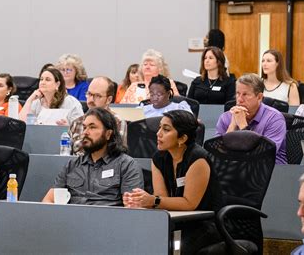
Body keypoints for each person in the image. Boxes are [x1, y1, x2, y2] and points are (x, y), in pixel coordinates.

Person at [124, 110, 222, 254]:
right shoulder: (159, 158)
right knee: (137, 238)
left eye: (166, 129)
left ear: (182, 138)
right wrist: (140, 201)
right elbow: (162, 199)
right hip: (175, 222)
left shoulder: (197, 158)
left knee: (171, 248)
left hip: (204, 224)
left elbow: (190, 203)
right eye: (159, 127)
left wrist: (153, 201)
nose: (158, 133)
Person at [42, 107, 143, 205]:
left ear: (108, 134)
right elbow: (48, 200)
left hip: (108, 220)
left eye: (92, 127)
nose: (85, 132)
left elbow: (132, 208)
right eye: (84, 127)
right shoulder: (72, 165)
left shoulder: (126, 165)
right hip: (72, 219)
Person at [215, 73, 287, 164]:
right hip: (235, 170)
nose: (239, 99)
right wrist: (232, 125)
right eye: (238, 93)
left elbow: (264, 154)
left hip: (270, 172)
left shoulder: (275, 119)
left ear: (259, 97)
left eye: (245, 94)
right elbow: (217, 154)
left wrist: (243, 126)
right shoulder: (226, 117)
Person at [70, 76, 128, 155]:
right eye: (89, 94)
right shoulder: (76, 122)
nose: (91, 100)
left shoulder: (118, 122)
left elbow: (117, 154)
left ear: (109, 100)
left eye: (97, 96)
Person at [19, 68, 84, 126]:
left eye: (47, 80)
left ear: (57, 84)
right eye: (41, 79)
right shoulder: (36, 102)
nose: (42, 82)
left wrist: (67, 127)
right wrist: (29, 100)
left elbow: (80, 128)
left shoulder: (71, 102)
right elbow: (21, 123)